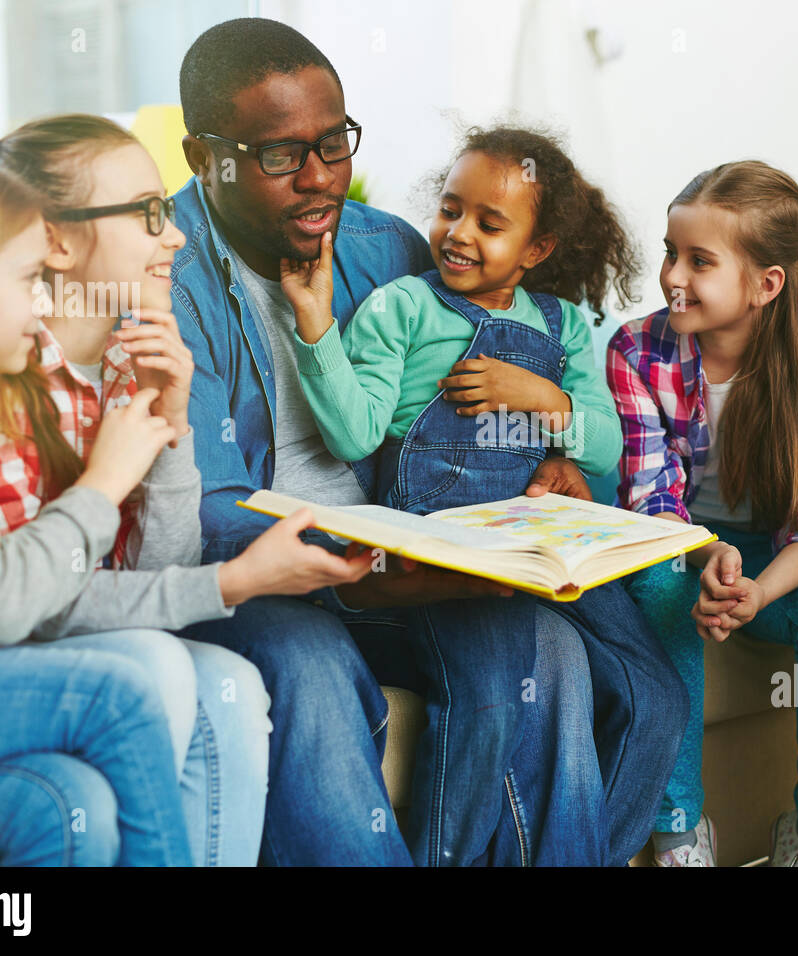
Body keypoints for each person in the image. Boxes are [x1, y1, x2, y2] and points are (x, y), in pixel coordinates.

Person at [171, 17, 628, 865]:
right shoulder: (169, 277)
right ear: (207, 157)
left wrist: (551, 452)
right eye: (280, 156)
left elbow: (463, 386)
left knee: (554, 651)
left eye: (333, 144)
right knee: (307, 672)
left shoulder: (386, 247)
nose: (320, 182)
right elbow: (203, 509)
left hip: (407, 548)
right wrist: (365, 571)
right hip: (267, 578)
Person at [0, 118, 383, 865]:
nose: (177, 239)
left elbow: (153, 573)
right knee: (185, 672)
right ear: (59, 243)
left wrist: (175, 423)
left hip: (103, 632)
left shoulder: (129, 366)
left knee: (228, 685)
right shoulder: (3, 378)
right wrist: (235, 579)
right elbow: (28, 603)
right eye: (149, 215)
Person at [283, 122, 688, 866]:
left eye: (489, 223)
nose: (458, 233)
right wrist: (315, 327)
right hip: (444, 546)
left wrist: (542, 398)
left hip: (543, 543)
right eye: (450, 208)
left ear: (536, 250)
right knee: (491, 703)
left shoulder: (563, 329)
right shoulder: (404, 307)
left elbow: (605, 444)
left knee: (657, 698)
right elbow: (354, 431)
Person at [0, 145, 192, 866]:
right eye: (29, 280)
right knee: (115, 693)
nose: (45, 304)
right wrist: (102, 486)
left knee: (61, 805)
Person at [608, 161, 798, 866]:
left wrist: (758, 590)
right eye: (670, 252)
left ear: (766, 284)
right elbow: (648, 497)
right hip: (676, 542)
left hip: (776, 554)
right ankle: (680, 831)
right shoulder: (637, 350)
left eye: (699, 261)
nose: (672, 276)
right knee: (661, 590)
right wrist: (706, 559)